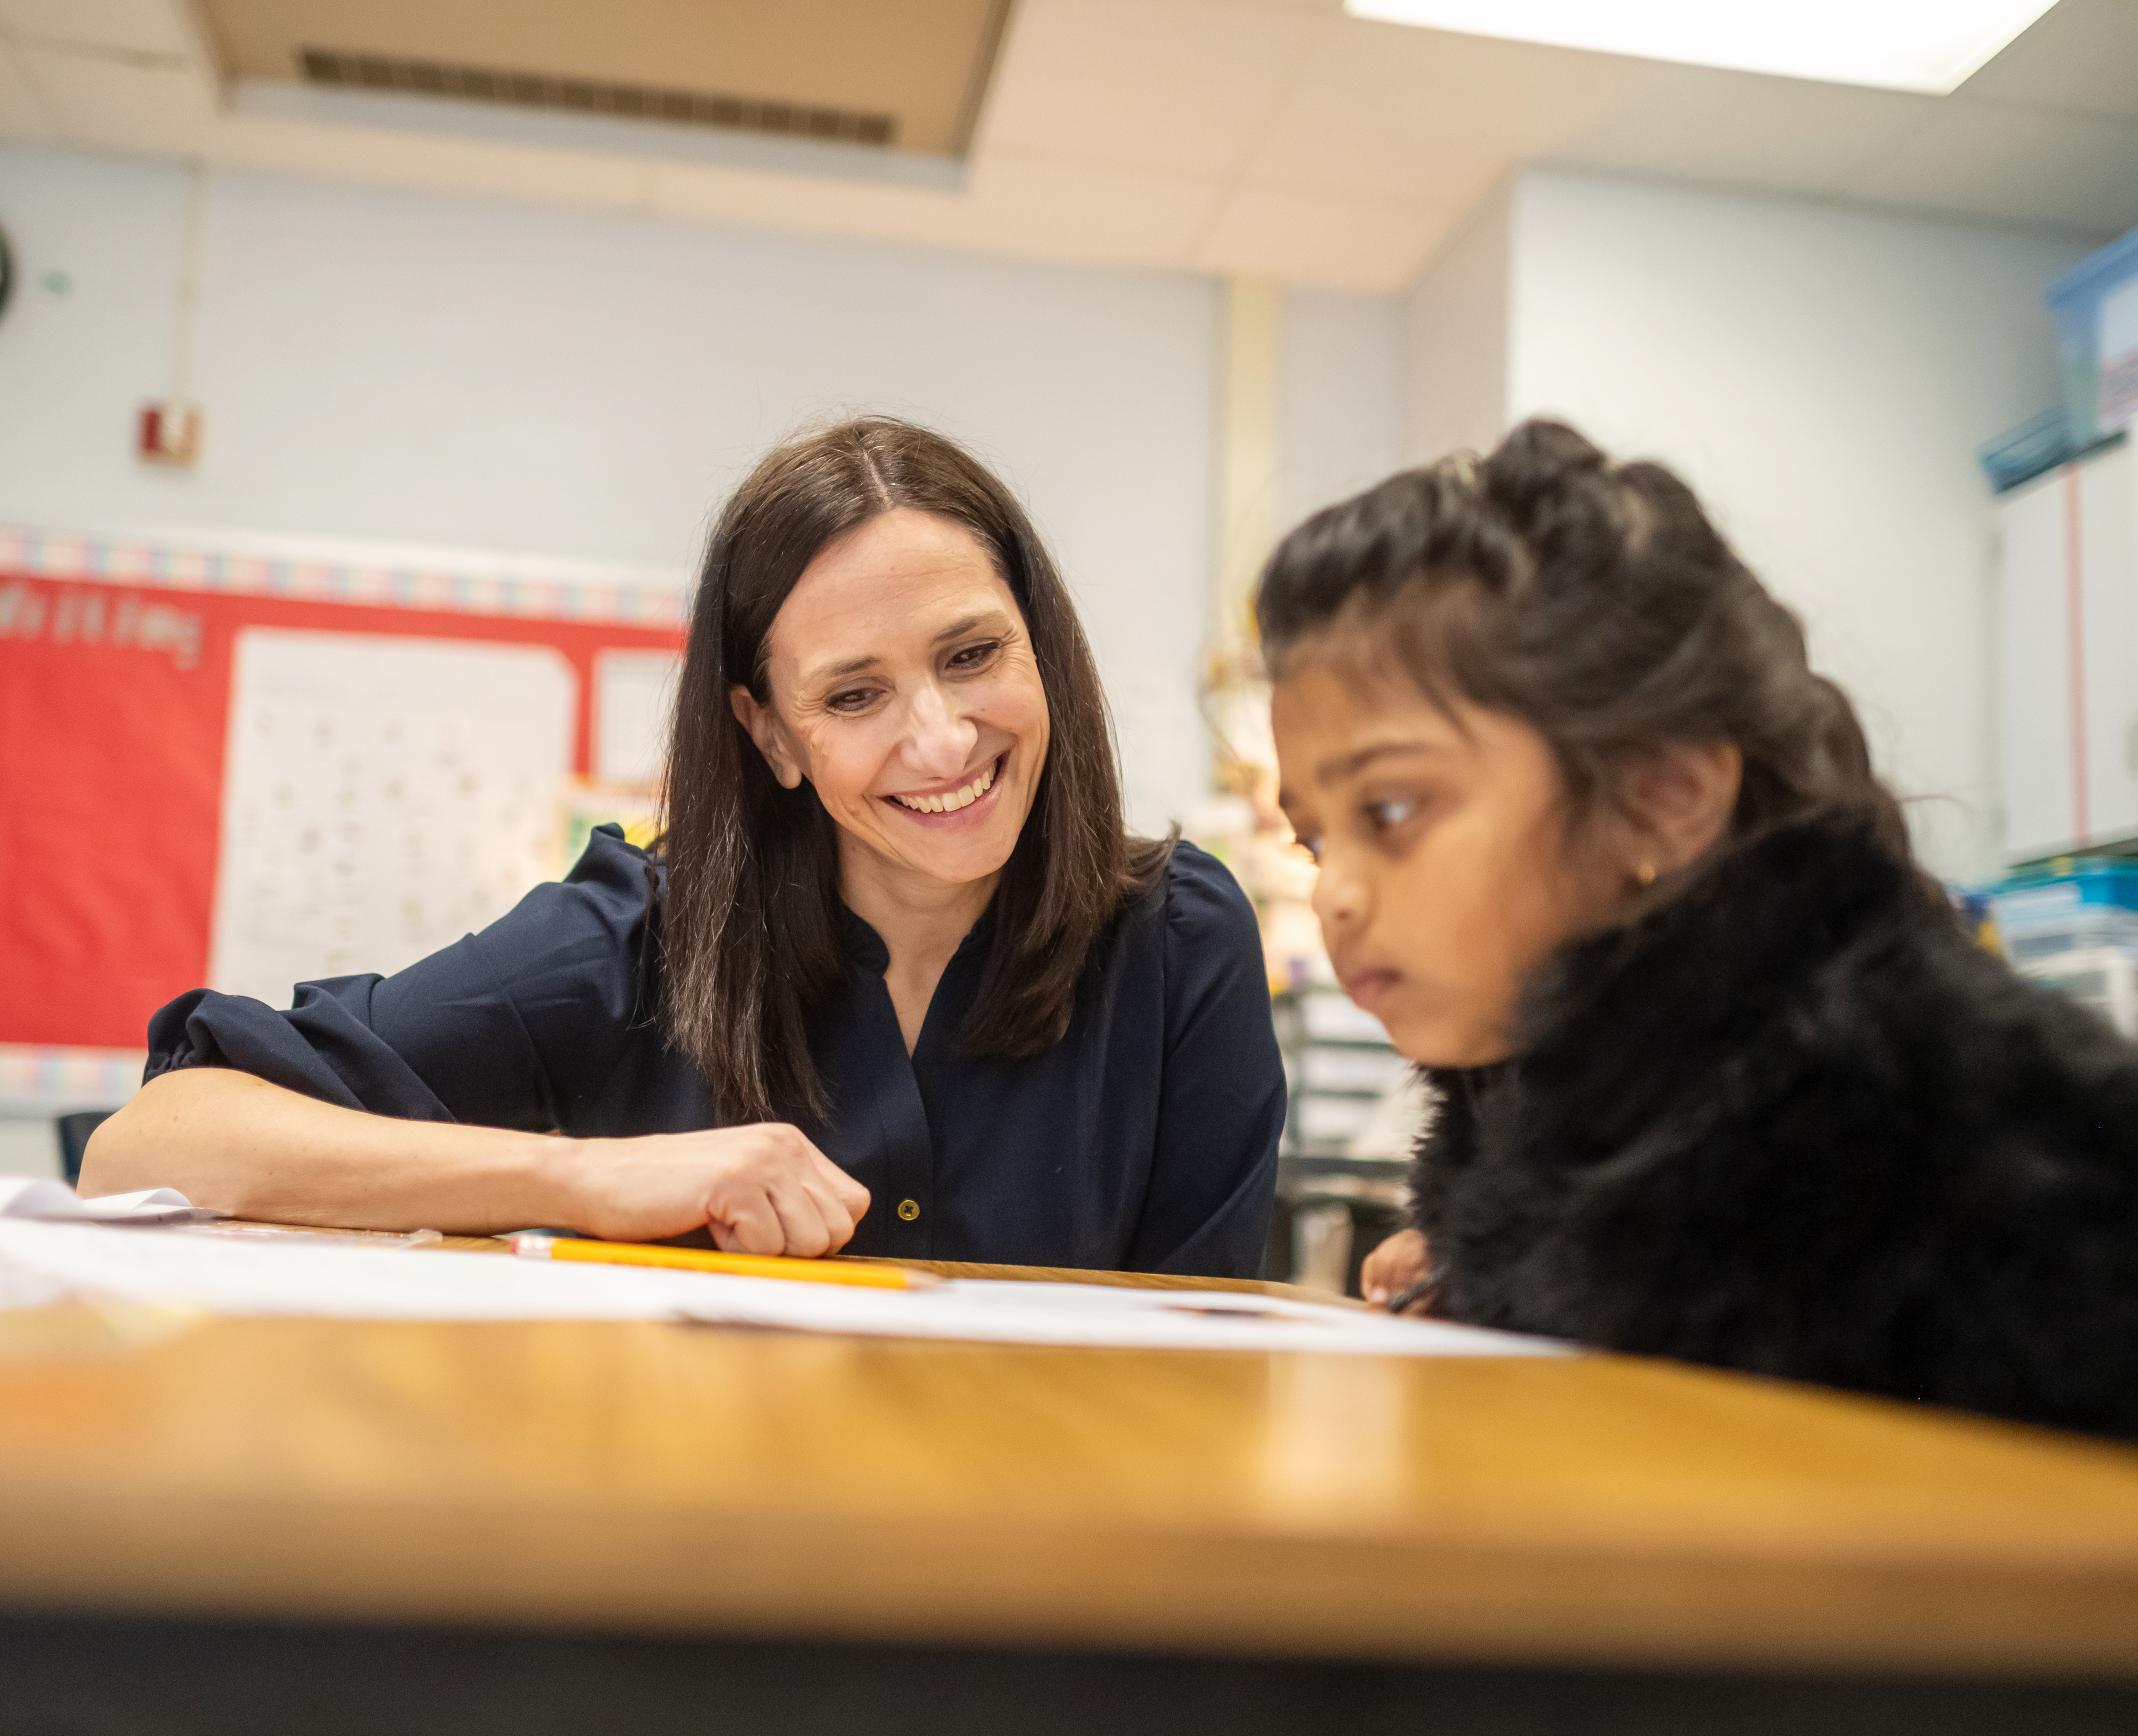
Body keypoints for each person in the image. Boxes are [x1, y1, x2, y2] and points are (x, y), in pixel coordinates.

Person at [1255, 418, 2138, 1736]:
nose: (1336, 894)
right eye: (1315, 835)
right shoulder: (1583, 1123)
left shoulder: (1987, 1155)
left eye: (1392, 812)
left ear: (1665, 796)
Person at [82, 418, 1286, 1273]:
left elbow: (1202, 1356)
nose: (941, 739)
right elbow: (148, 1148)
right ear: (770, 735)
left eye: (973, 655)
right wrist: (591, 1180)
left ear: (1042, 648)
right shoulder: (635, 941)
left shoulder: (1180, 940)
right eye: (854, 696)